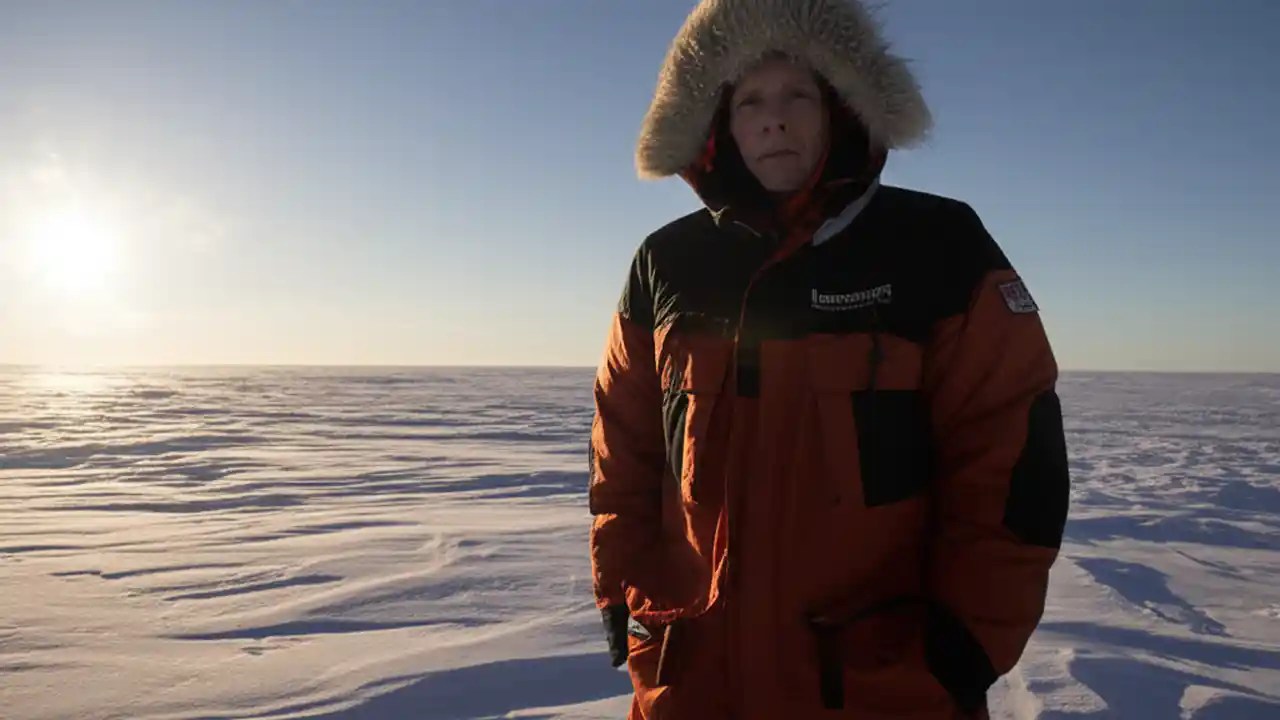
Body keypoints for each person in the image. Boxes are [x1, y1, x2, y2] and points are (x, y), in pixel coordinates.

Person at [587, 1, 1071, 718]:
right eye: (751, 100)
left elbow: (1009, 457)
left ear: (840, 107)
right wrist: (624, 594)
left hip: (884, 688)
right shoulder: (667, 264)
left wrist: (962, 648)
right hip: (693, 682)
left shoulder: (937, 244)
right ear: (720, 122)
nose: (773, 119)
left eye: (796, 96)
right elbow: (621, 459)